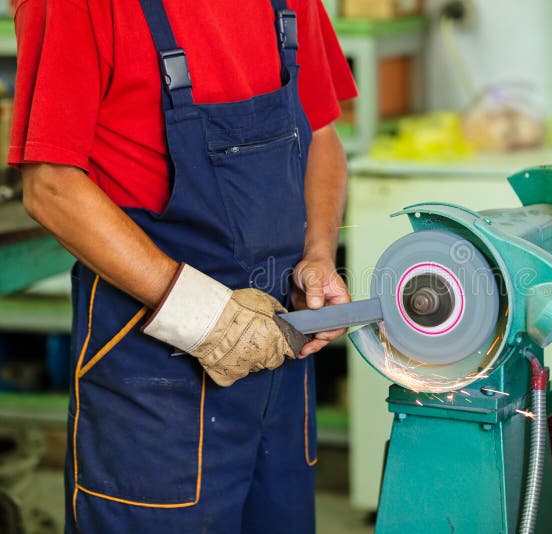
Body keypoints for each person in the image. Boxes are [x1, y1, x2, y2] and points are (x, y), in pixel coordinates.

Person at [9, 0, 357, 531]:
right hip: (155, 380)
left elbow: (323, 135)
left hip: (281, 366)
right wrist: (203, 315)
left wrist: (318, 255)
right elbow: (51, 185)